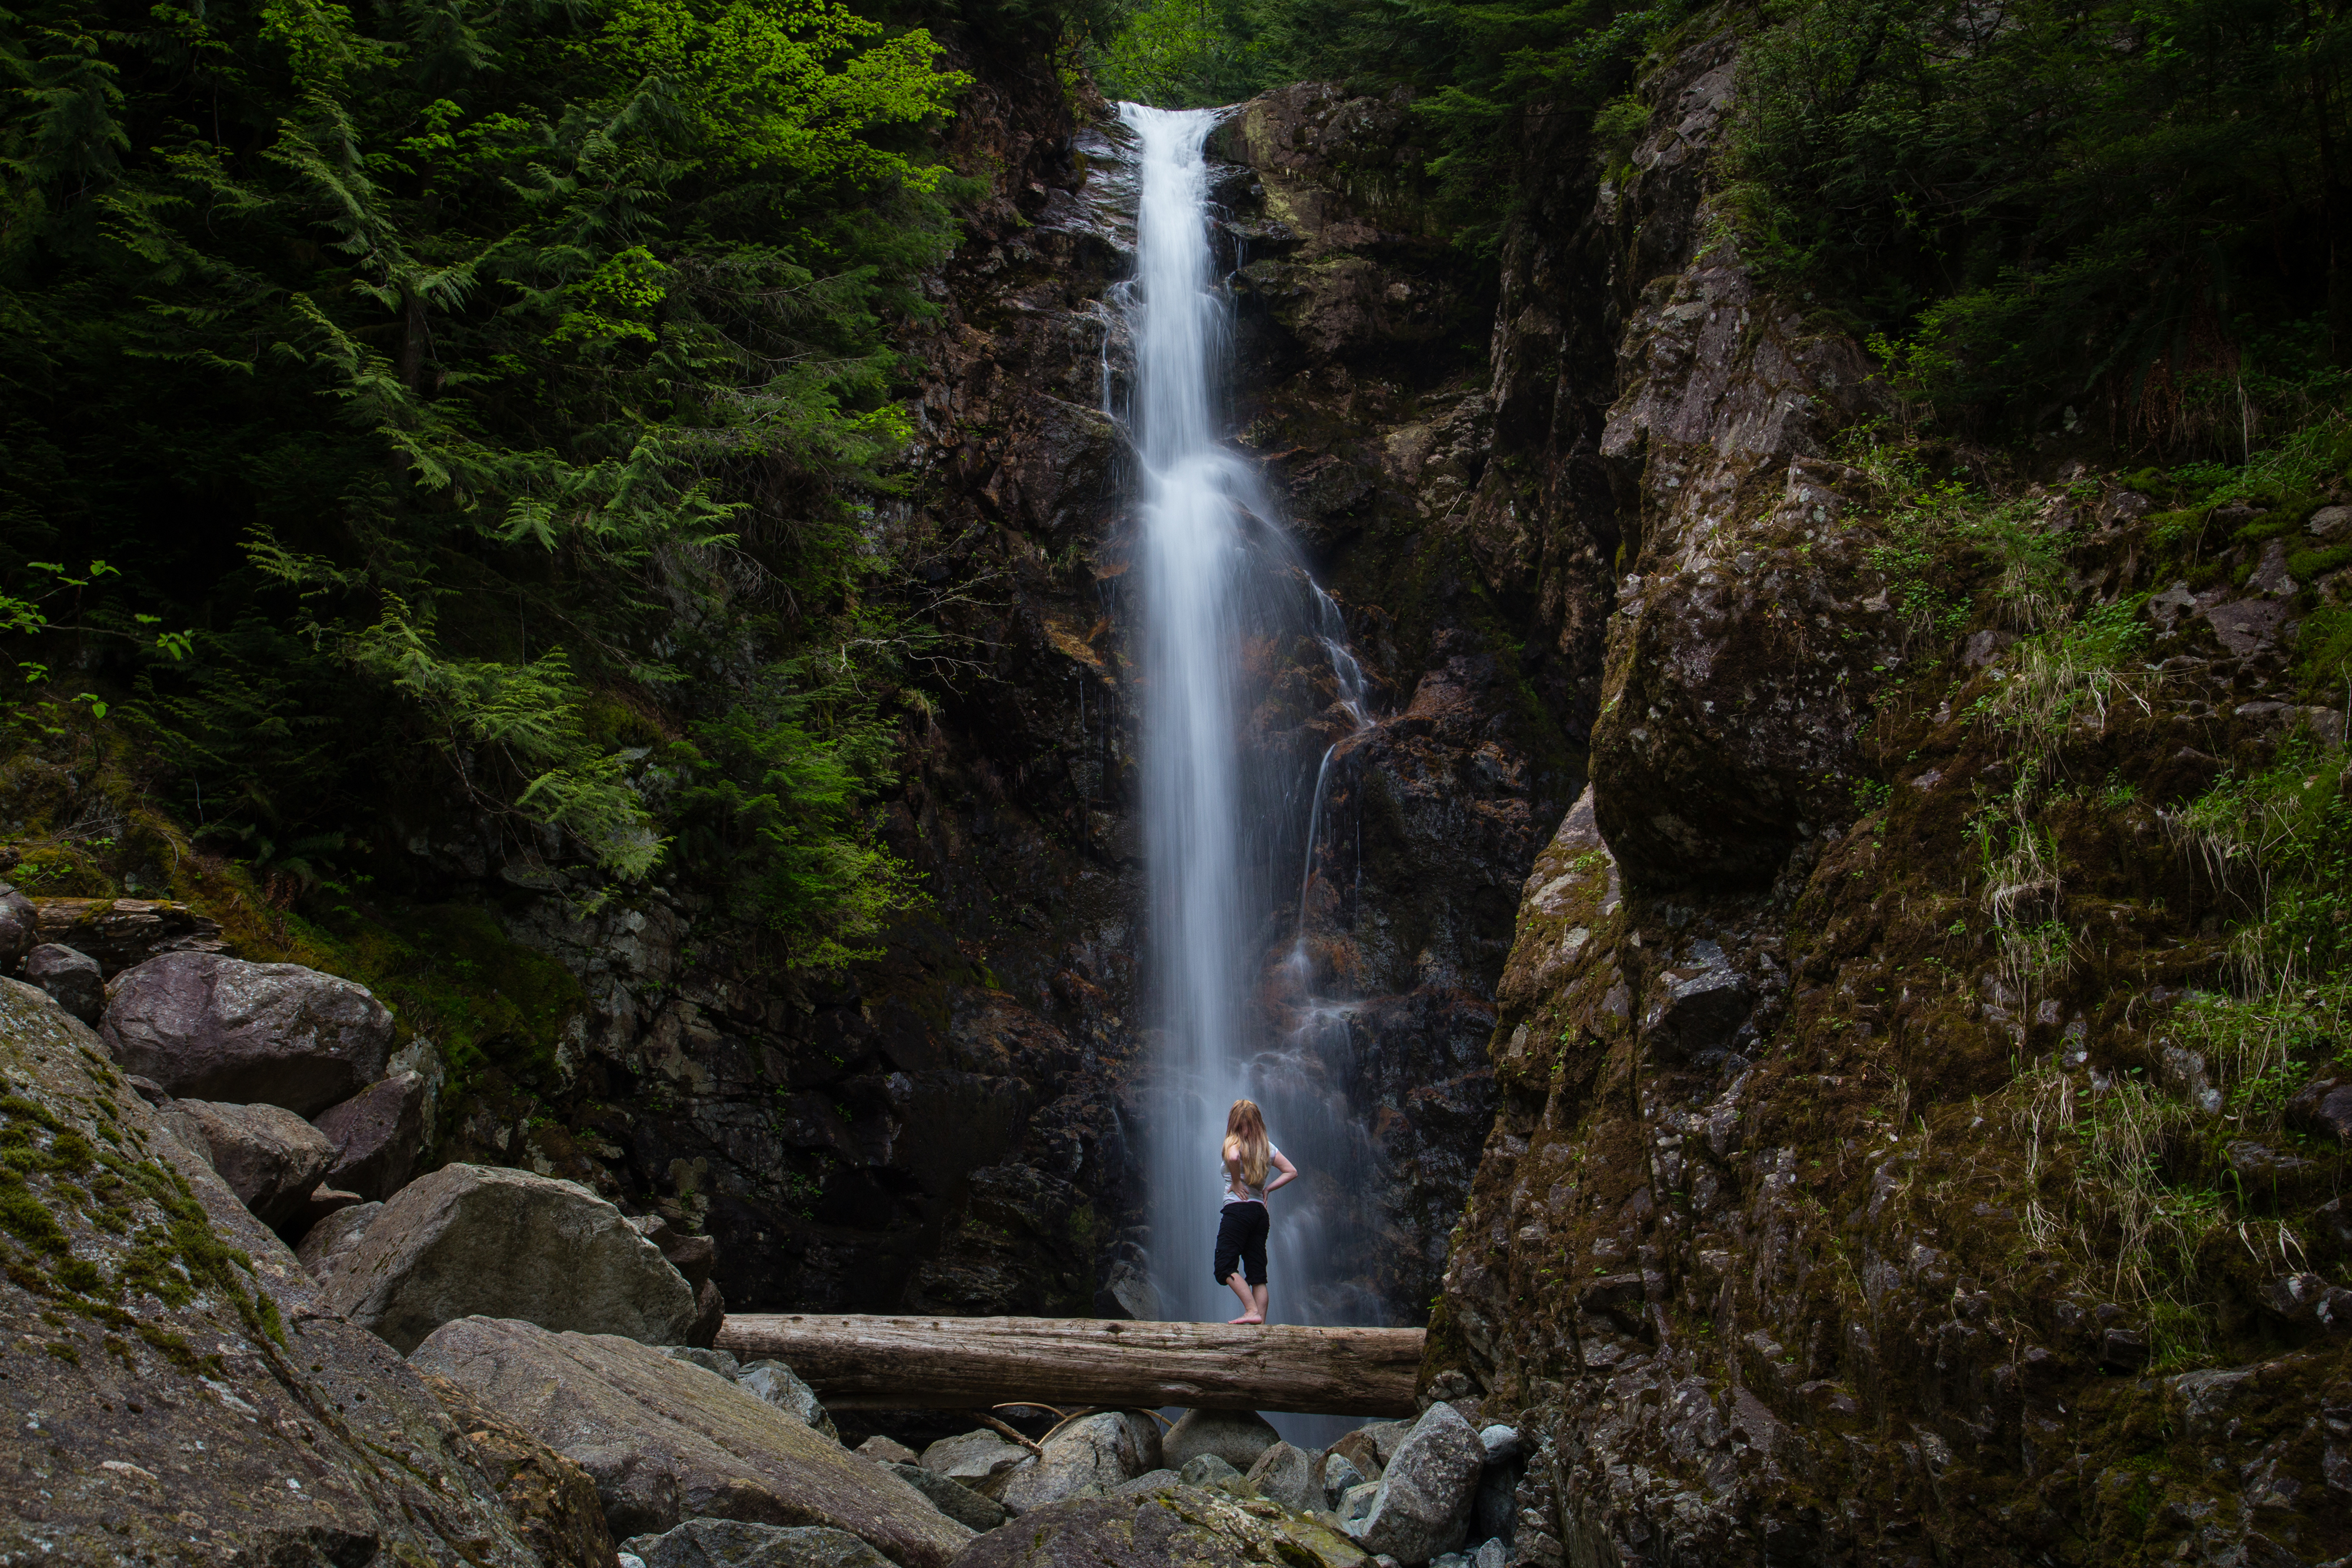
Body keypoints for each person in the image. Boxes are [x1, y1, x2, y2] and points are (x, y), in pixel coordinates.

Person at [1214, 1098, 1296, 1325]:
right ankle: (1261, 1327)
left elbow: (1233, 1157)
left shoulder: (1233, 1141)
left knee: (1224, 1266)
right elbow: (1291, 1171)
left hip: (1237, 1210)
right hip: (1259, 1214)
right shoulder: (1267, 1147)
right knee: (1257, 1274)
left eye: (1244, 1125)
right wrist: (1267, 1189)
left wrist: (1236, 1183)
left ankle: (1252, 1311)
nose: (1244, 1130)